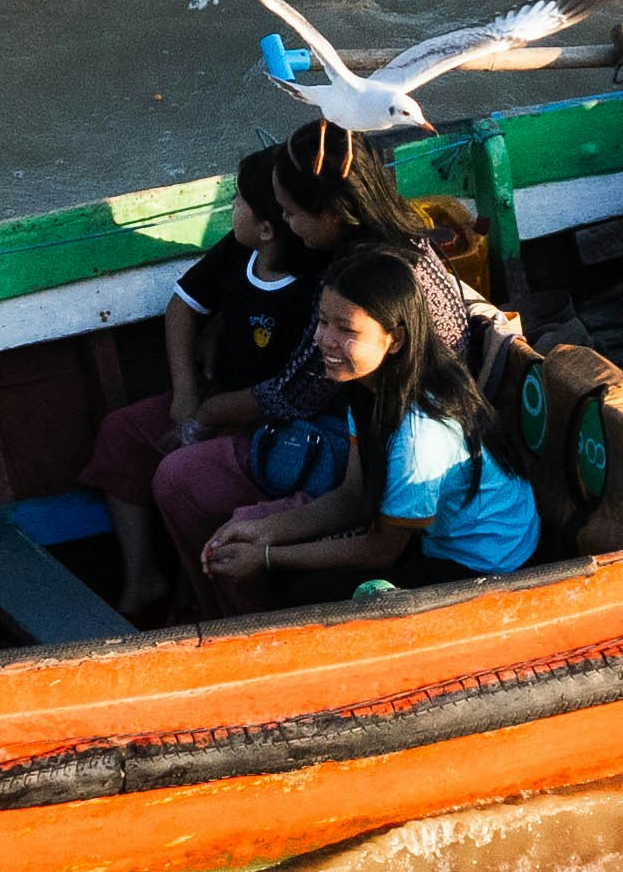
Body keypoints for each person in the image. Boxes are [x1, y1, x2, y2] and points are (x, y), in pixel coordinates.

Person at [85, 135, 353, 621]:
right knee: (122, 433)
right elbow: (183, 307)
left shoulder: (317, 288)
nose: (231, 210)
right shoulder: (238, 251)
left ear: (270, 227)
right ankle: (143, 577)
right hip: (216, 396)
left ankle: (215, 604)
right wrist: (186, 395)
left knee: (184, 475)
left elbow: (293, 395)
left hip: (271, 424)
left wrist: (205, 418)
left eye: (238, 203)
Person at [192, 244, 545, 607]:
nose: (323, 340)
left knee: (306, 594)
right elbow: (353, 497)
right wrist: (261, 533)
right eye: (323, 321)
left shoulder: (421, 434)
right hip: (433, 541)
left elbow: (381, 551)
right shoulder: (368, 388)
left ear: (395, 340)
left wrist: (267, 557)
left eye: (346, 329)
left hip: (490, 572)